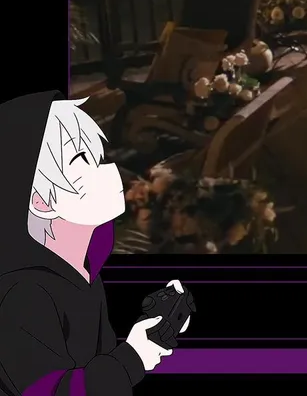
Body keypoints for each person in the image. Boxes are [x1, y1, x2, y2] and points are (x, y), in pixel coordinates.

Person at [0, 93, 188, 395]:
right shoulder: (23, 295)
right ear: (40, 201)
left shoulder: (84, 271)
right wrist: (133, 358)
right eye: (80, 161)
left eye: (96, 159)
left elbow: (94, 362)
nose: (107, 171)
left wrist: (147, 335)